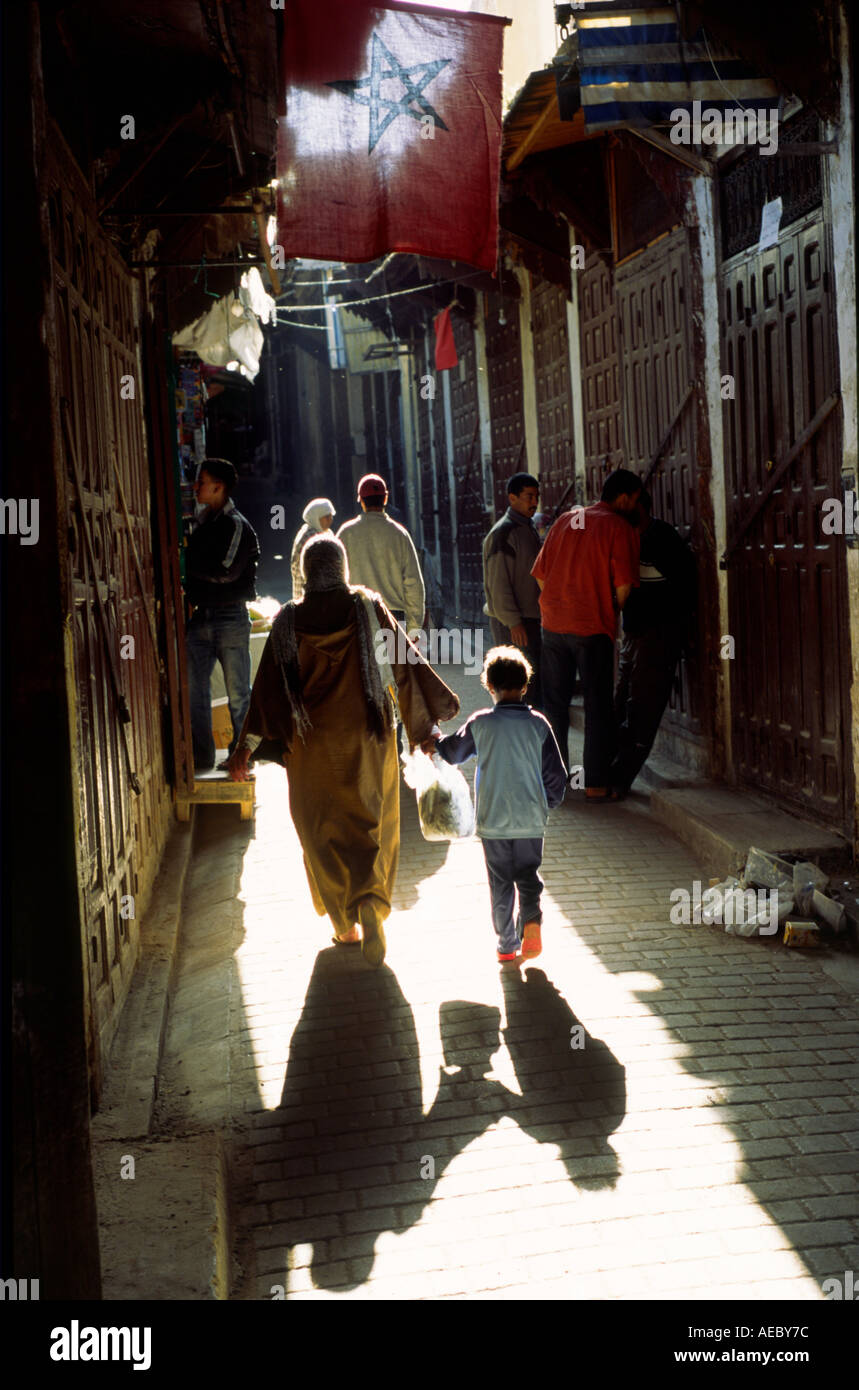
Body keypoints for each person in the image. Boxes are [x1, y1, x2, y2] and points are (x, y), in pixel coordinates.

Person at [226, 534, 458, 967]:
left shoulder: (287, 621)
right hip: (369, 735)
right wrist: (423, 729)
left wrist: (244, 750)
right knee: (374, 821)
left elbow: (267, 693)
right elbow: (404, 670)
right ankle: (370, 901)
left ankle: (343, 924)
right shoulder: (367, 607)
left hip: (310, 745)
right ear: (343, 568)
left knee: (320, 830)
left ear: (305, 572)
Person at [433, 646, 566, 963]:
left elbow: (453, 753)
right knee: (528, 875)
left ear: (489, 686)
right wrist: (545, 803)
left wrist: (435, 738)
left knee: (501, 883)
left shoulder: (480, 724)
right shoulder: (539, 725)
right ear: (525, 686)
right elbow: (556, 777)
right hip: (530, 820)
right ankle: (531, 920)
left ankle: (507, 946)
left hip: (492, 822)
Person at [531, 468, 641, 799]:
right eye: (634, 500)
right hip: (592, 628)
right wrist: (608, 607)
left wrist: (560, 601)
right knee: (597, 706)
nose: (635, 506)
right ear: (623, 498)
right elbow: (623, 587)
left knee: (554, 705)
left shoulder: (567, 519)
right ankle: (594, 785)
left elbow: (539, 574)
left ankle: (554, 781)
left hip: (552, 625)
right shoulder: (619, 527)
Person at [609, 492, 696, 794]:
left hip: (658, 637)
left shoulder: (663, 538)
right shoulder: (623, 538)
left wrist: (674, 632)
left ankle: (620, 781)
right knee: (619, 705)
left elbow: (686, 589)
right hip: (632, 636)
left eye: (627, 504)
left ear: (641, 507)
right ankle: (608, 774)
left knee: (643, 710)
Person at [184, 458, 260, 772]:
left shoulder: (237, 524)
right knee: (194, 692)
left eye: (201, 482)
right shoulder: (202, 523)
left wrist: (187, 572)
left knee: (239, 693)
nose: (196, 487)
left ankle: (241, 758)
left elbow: (226, 571)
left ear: (218, 487)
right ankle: (202, 757)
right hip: (201, 618)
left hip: (230, 619)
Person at [337, 473, 425, 634]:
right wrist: (414, 629)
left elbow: (336, 580)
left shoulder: (345, 533)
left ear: (361, 501)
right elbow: (413, 584)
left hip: (357, 617)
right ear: (385, 499)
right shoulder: (400, 534)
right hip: (394, 620)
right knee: (393, 659)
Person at [482, 472, 543, 706]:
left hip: (529, 619)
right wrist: (513, 621)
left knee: (529, 686)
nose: (534, 502)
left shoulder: (526, 528)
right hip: (513, 623)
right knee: (513, 685)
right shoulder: (503, 533)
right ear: (512, 498)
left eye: (536, 496)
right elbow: (498, 583)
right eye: (528, 496)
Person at [290, 497, 335, 602]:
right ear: (315, 518)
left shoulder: (311, 531)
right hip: (308, 598)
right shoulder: (312, 537)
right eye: (326, 517)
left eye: (331, 516)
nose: (330, 520)